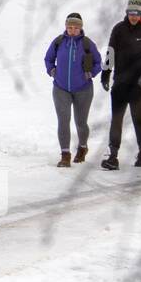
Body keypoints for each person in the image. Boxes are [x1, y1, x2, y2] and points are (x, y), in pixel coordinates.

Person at [100, 0, 141, 170]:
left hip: (140, 86)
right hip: (120, 84)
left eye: (137, 13)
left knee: (139, 119)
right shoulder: (118, 29)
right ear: (127, 12)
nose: (134, 17)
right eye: (131, 13)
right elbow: (110, 52)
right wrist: (106, 74)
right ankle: (113, 156)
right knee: (116, 119)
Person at [44, 11, 102, 167]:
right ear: (65, 27)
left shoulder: (87, 44)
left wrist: (91, 74)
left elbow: (98, 62)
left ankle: (82, 147)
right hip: (61, 88)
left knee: (81, 122)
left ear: (81, 28)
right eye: (69, 27)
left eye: (75, 28)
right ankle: (65, 155)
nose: (72, 30)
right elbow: (48, 58)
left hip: (83, 89)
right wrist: (52, 71)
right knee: (63, 121)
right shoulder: (58, 42)